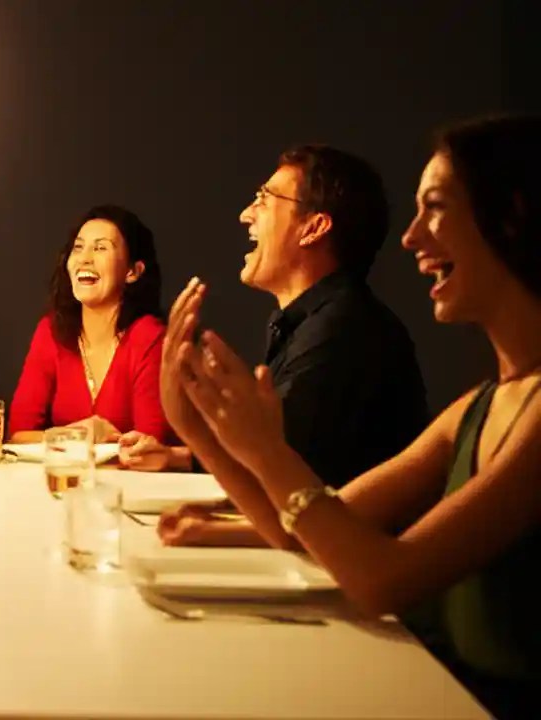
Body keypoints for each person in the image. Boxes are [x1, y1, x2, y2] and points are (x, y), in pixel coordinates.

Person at [159, 116, 541, 718]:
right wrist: (193, 427)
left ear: (514, 217)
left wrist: (262, 451)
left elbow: (384, 579)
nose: (412, 238)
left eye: (435, 209)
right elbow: (303, 529)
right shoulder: (479, 406)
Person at [122, 145, 427, 476]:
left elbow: (280, 474)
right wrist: (177, 455)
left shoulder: (343, 329)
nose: (246, 214)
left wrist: (184, 409)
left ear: (313, 228)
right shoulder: (313, 319)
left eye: (264, 200)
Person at [8, 204, 170, 444]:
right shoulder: (51, 331)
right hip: (66, 478)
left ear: (132, 271)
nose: (84, 259)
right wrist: (76, 436)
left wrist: (57, 440)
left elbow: (151, 444)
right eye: (78, 247)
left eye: (101, 248)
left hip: (133, 481)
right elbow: (18, 434)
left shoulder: (149, 337)